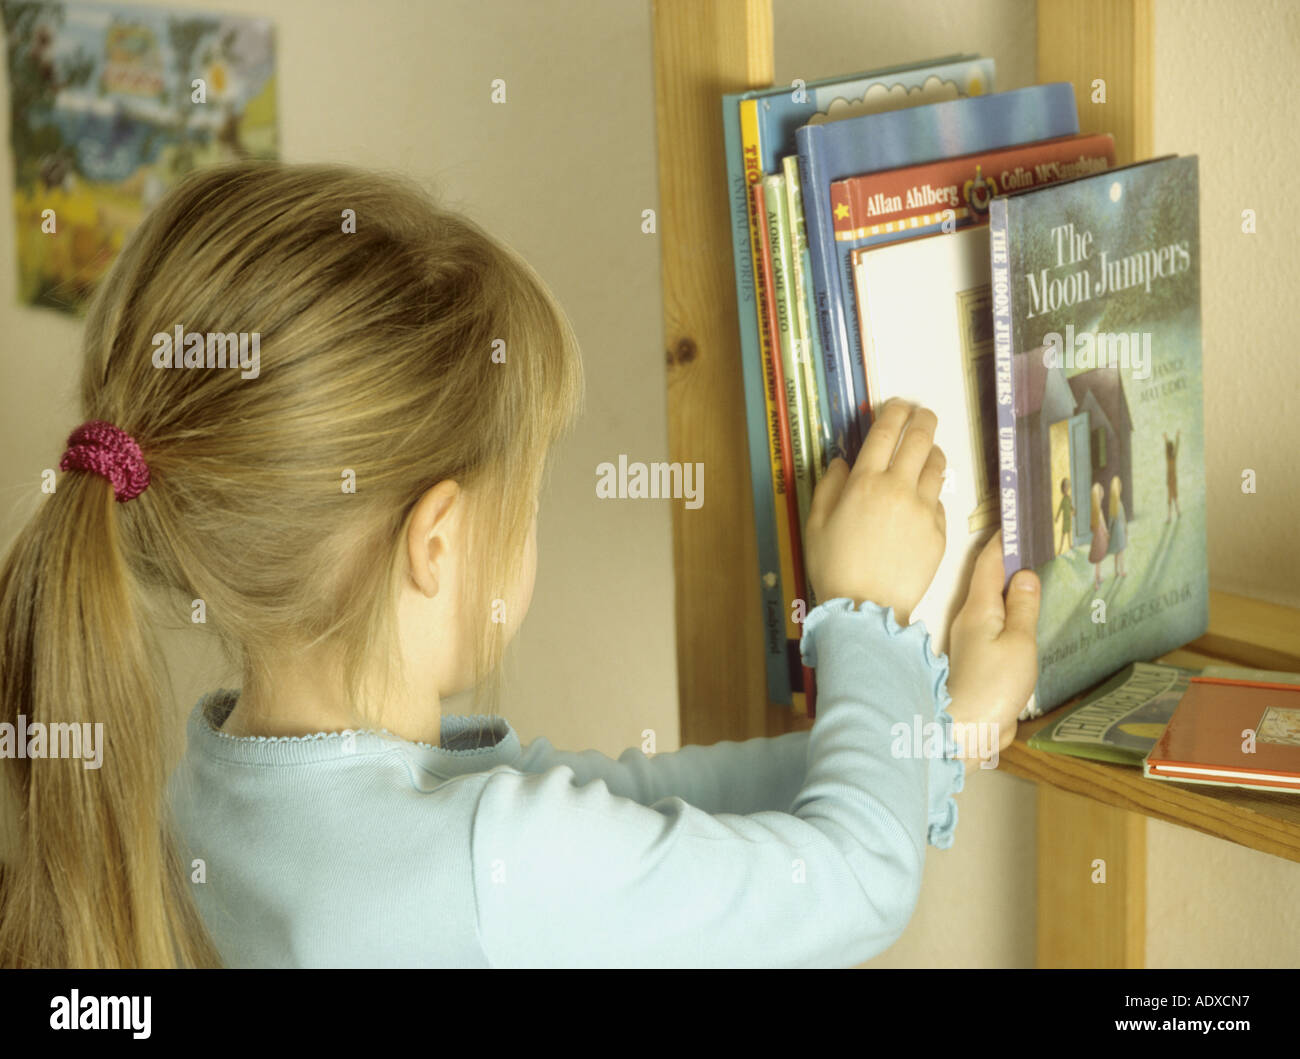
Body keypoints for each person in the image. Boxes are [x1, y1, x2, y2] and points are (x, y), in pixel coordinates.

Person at [0, 162, 1039, 969]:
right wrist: (865, 614)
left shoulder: (214, 791)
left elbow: (632, 799)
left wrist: (933, 731)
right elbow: (858, 884)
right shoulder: (487, 860)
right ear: (438, 544)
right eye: (529, 492)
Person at [1088, 481, 1111, 589]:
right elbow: (1100, 524)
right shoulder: (1097, 510)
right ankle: (1096, 582)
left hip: (1098, 536)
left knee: (1099, 559)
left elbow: (1093, 526)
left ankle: (1098, 577)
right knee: (1098, 559)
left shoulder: (1095, 509)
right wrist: (1105, 533)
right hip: (1099, 537)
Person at [1106, 475, 1128, 578]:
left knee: (1116, 552)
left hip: (1115, 530)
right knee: (1121, 552)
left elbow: (1110, 521)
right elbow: (1123, 518)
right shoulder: (1119, 504)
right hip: (1120, 529)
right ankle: (1122, 571)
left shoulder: (1112, 505)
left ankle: (1116, 572)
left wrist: (1109, 532)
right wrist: (1125, 529)